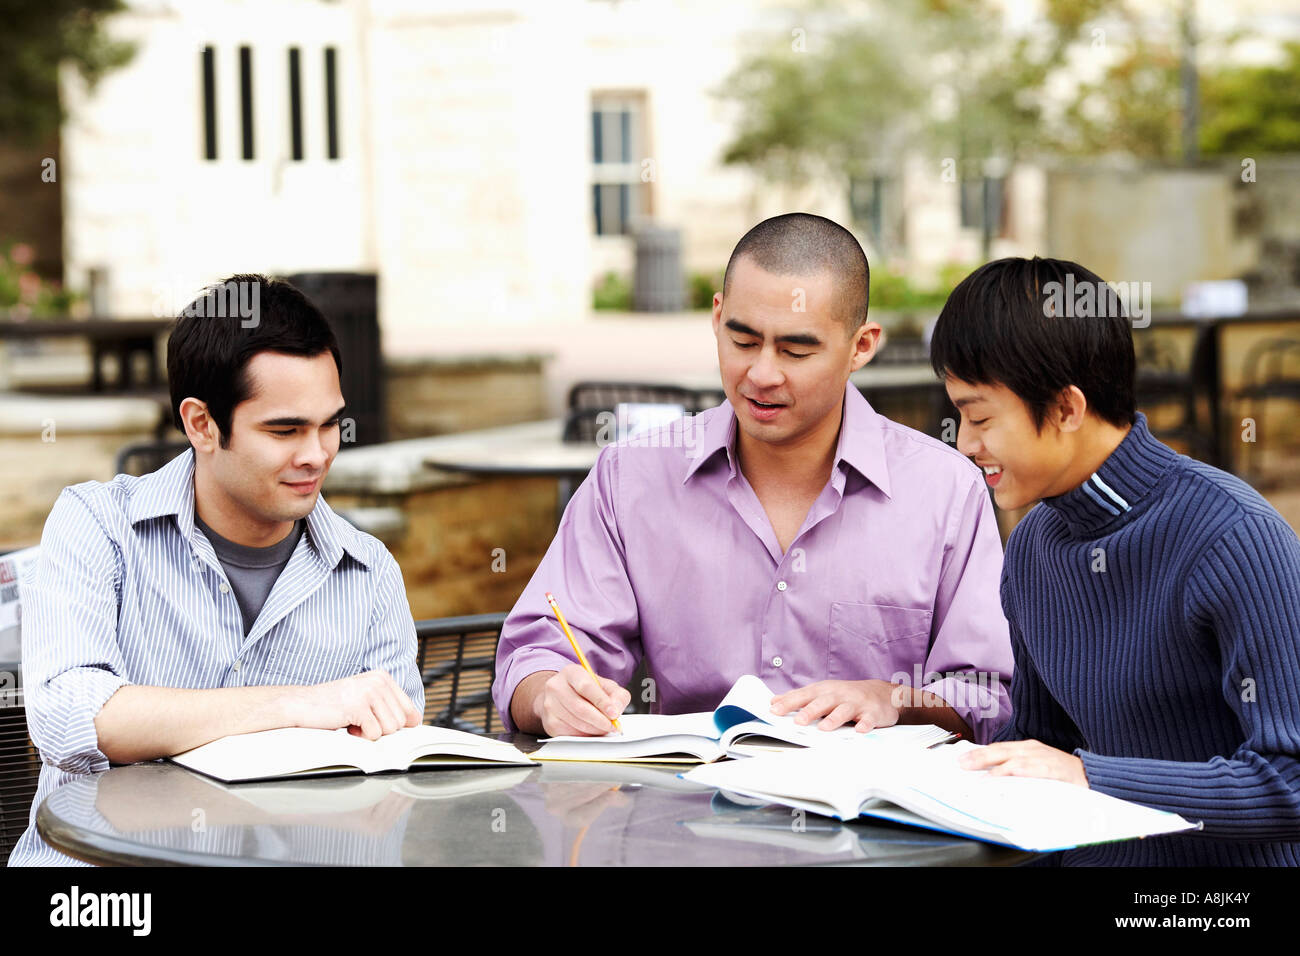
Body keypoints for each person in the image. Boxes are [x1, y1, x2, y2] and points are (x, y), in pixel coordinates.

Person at [493, 213, 1011, 743]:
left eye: (796, 350)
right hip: (682, 810)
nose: (761, 374)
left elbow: (986, 696)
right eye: (743, 341)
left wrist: (891, 698)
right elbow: (537, 656)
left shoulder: (944, 490)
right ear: (717, 318)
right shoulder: (631, 479)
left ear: (861, 346)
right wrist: (550, 694)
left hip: (875, 814)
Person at [10, 275, 424, 866]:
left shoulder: (370, 570)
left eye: (329, 424)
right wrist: (293, 707)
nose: (317, 454)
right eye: (285, 430)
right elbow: (73, 719)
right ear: (201, 424)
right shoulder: (97, 525)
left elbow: (393, 777)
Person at [931, 256, 1300, 866]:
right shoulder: (1032, 546)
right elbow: (1039, 749)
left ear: (1067, 409)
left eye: (980, 418)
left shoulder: (1234, 537)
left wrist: (1091, 778)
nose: (966, 445)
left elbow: (1289, 784)